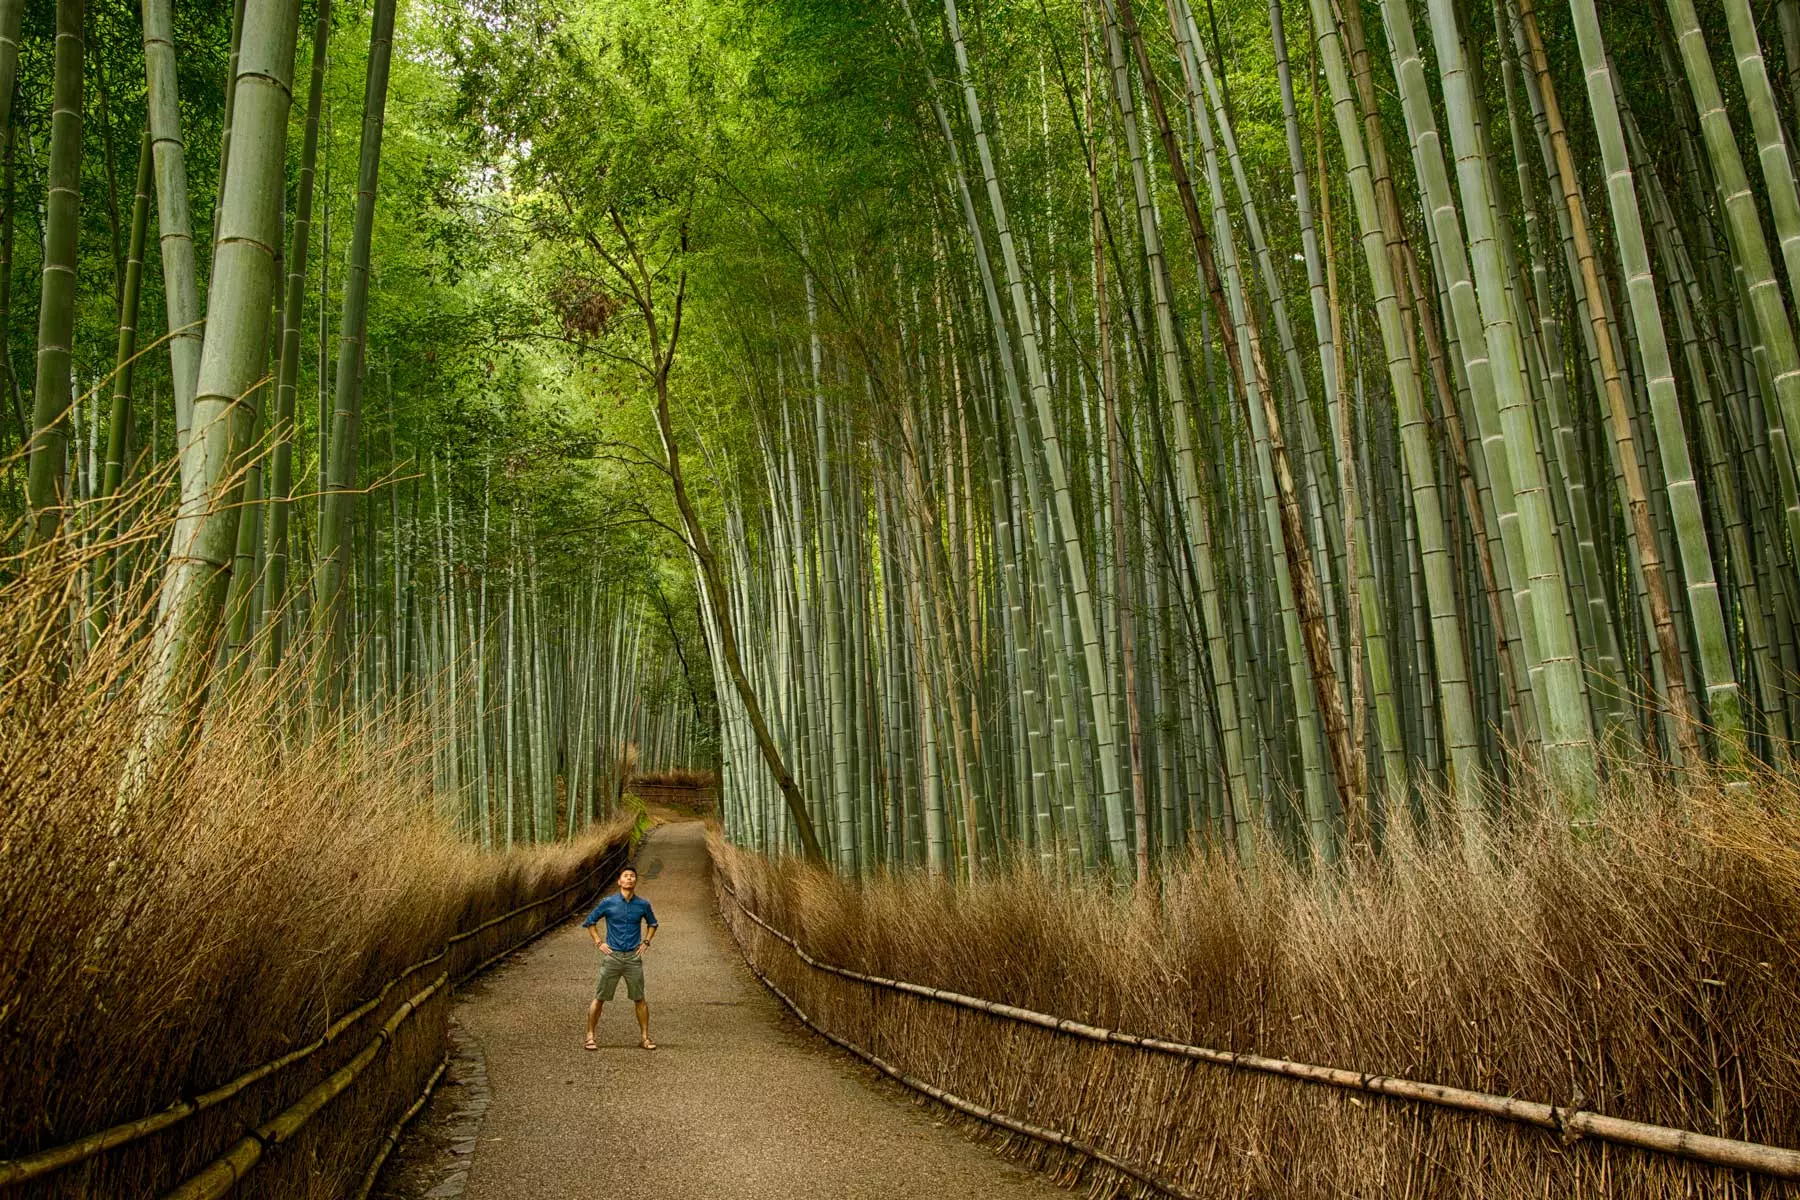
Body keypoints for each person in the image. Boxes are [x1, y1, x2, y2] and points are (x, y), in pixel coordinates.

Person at [582, 866, 659, 1050]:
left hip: (633, 956)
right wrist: (599, 942)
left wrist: (646, 942)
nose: (629, 878)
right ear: (619, 881)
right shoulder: (608, 903)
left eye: (632, 876)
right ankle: (590, 1036)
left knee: (639, 998)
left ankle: (645, 1038)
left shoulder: (643, 905)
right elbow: (590, 922)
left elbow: (653, 923)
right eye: (626, 876)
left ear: (635, 881)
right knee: (600, 996)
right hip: (613, 956)